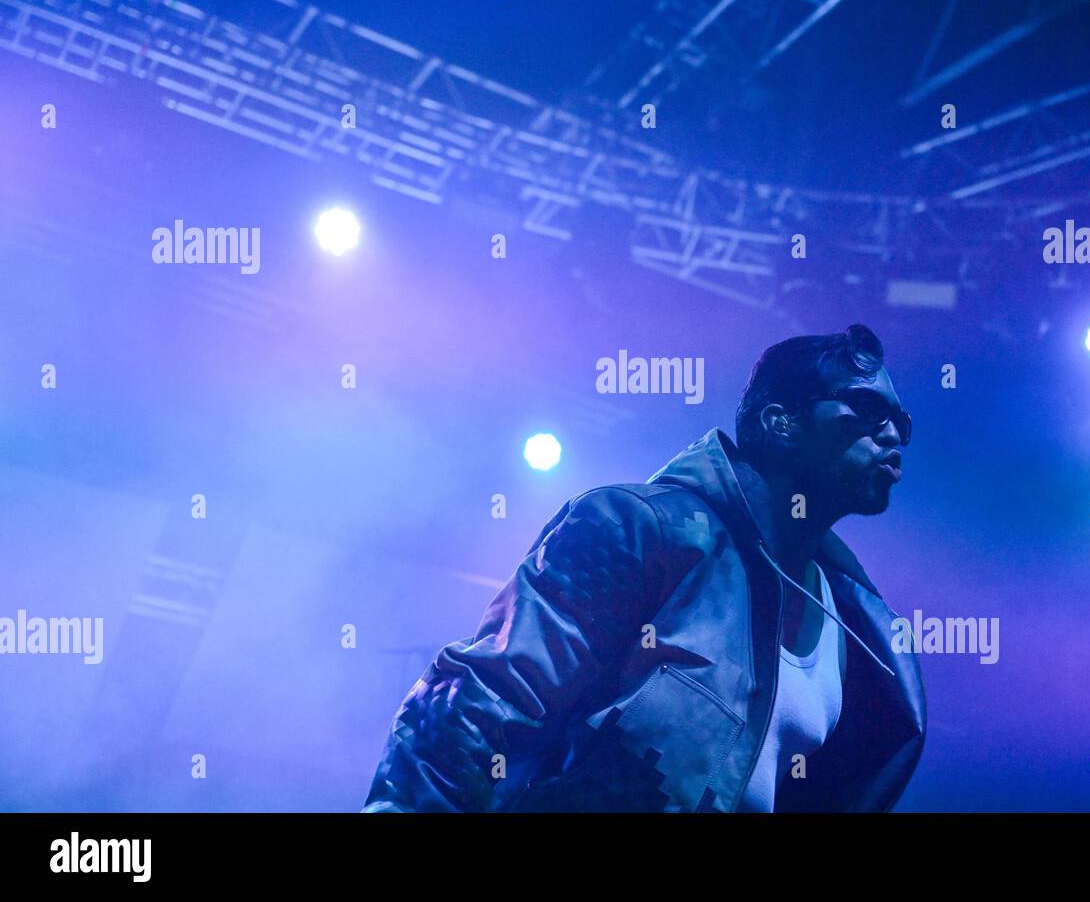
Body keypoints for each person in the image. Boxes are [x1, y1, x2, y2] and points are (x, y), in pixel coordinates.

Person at [363, 323, 924, 812]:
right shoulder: (643, 529)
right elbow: (482, 700)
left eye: (903, 420)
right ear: (780, 422)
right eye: (868, 409)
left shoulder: (857, 634)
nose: (894, 434)